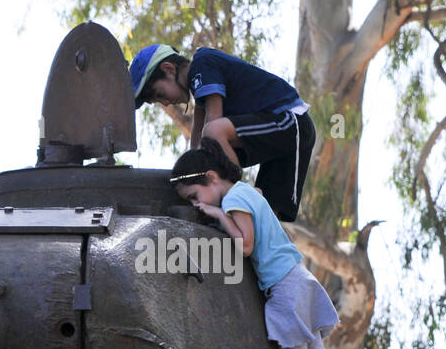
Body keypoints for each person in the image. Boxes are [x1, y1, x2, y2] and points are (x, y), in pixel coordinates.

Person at [169, 138, 379, 349]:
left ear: (211, 178)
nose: (198, 204)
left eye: (196, 196)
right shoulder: (250, 191)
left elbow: (246, 244)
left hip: (283, 287)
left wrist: (218, 216)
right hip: (299, 277)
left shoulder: (233, 200)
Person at [130, 44, 315, 223]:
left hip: (290, 122)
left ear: (169, 69)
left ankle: (239, 198)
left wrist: (204, 179)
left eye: (159, 94)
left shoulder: (202, 63)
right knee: (268, 218)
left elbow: (212, 124)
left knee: (213, 132)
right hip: (282, 133)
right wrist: (189, 166)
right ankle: (255, 215)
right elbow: (197, 135)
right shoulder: (200, 88)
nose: (165, 103)